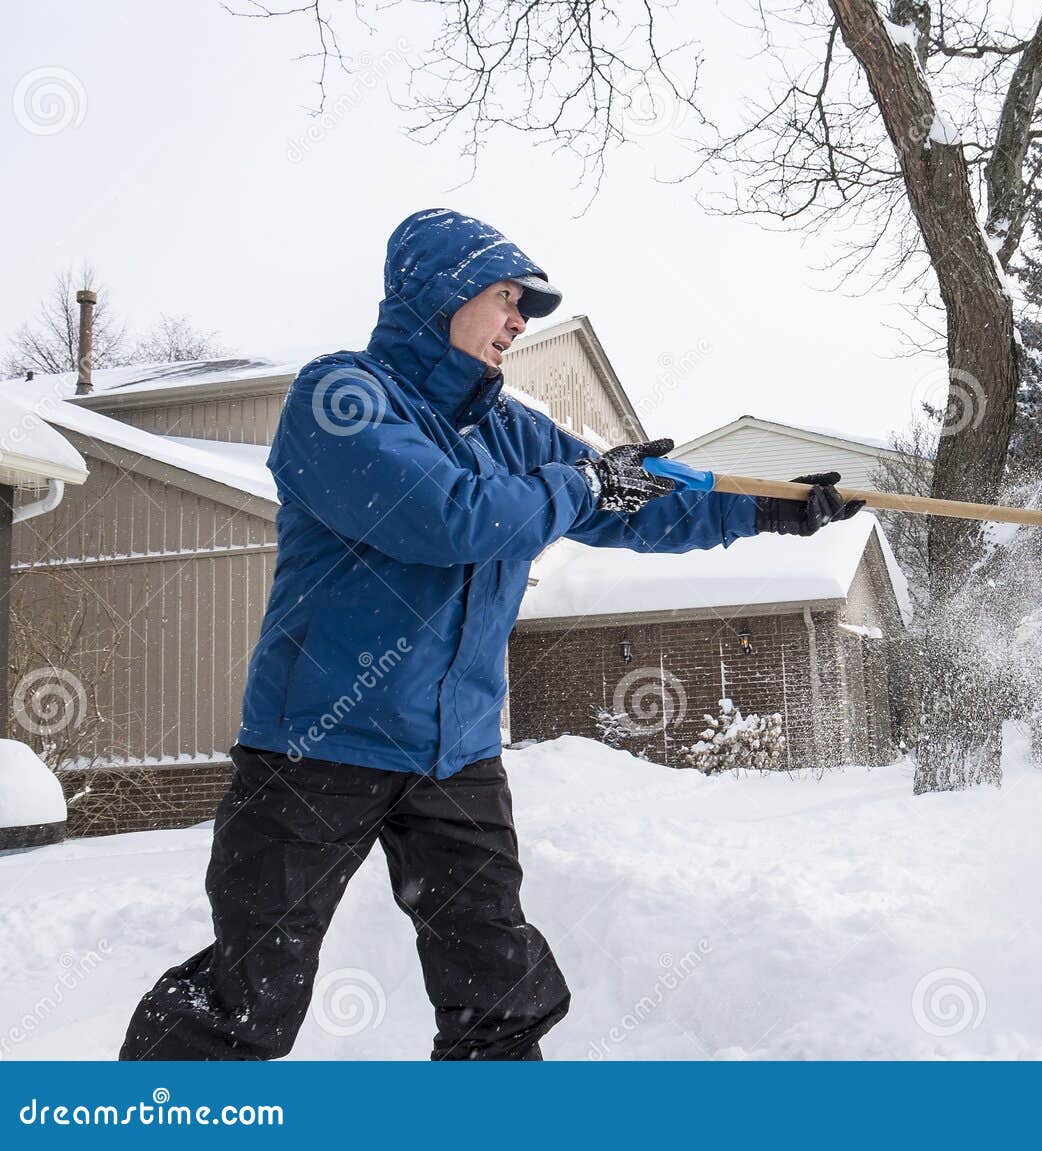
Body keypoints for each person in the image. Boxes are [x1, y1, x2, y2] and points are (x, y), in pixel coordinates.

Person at [120, 209, 862, 1061]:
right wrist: (586, 484)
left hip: (455, 753)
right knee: (246, 994)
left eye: (524, 307)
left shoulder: (510, 430)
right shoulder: (342, 398)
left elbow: (633, 502)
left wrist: (765, 507)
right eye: (506, 299)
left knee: (499, 988)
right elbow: (446, 516)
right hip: (318, 743)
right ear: (442, 291)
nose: (518, 322)